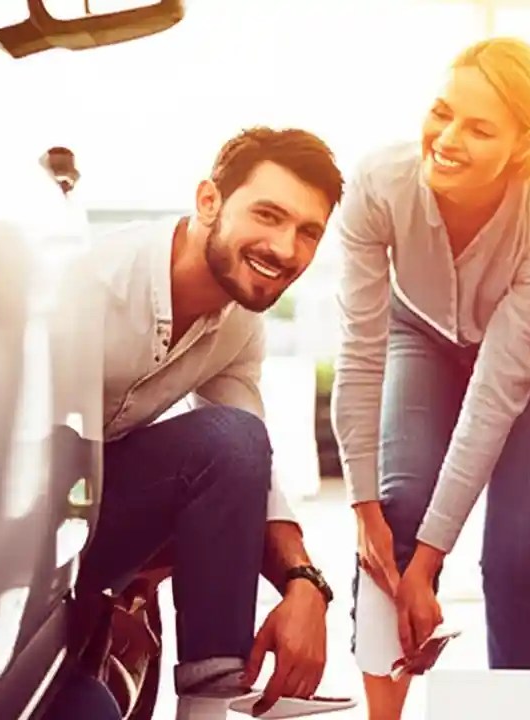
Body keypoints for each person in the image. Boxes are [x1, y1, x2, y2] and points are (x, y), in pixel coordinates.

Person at [331, 37, 530, 719]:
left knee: (515, 557)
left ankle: (516, 709)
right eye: (442, 112)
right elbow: (360, 352)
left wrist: (429, 564)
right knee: (396, 516)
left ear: (522, 145)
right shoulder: (378, 185)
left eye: (479, 128)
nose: (447, 139)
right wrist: (365, 515)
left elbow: (496, 392)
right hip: (420, 331)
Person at [56, 127, 345, 718]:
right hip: (12, 536)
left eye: (308, 232)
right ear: (209, 201)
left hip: (87, 532)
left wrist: (305, 584)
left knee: (236, 441)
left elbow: (245, 465)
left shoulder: (240, 322)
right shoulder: (92, 288)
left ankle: (211, 700)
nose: (286, 248)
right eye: (268, 214)